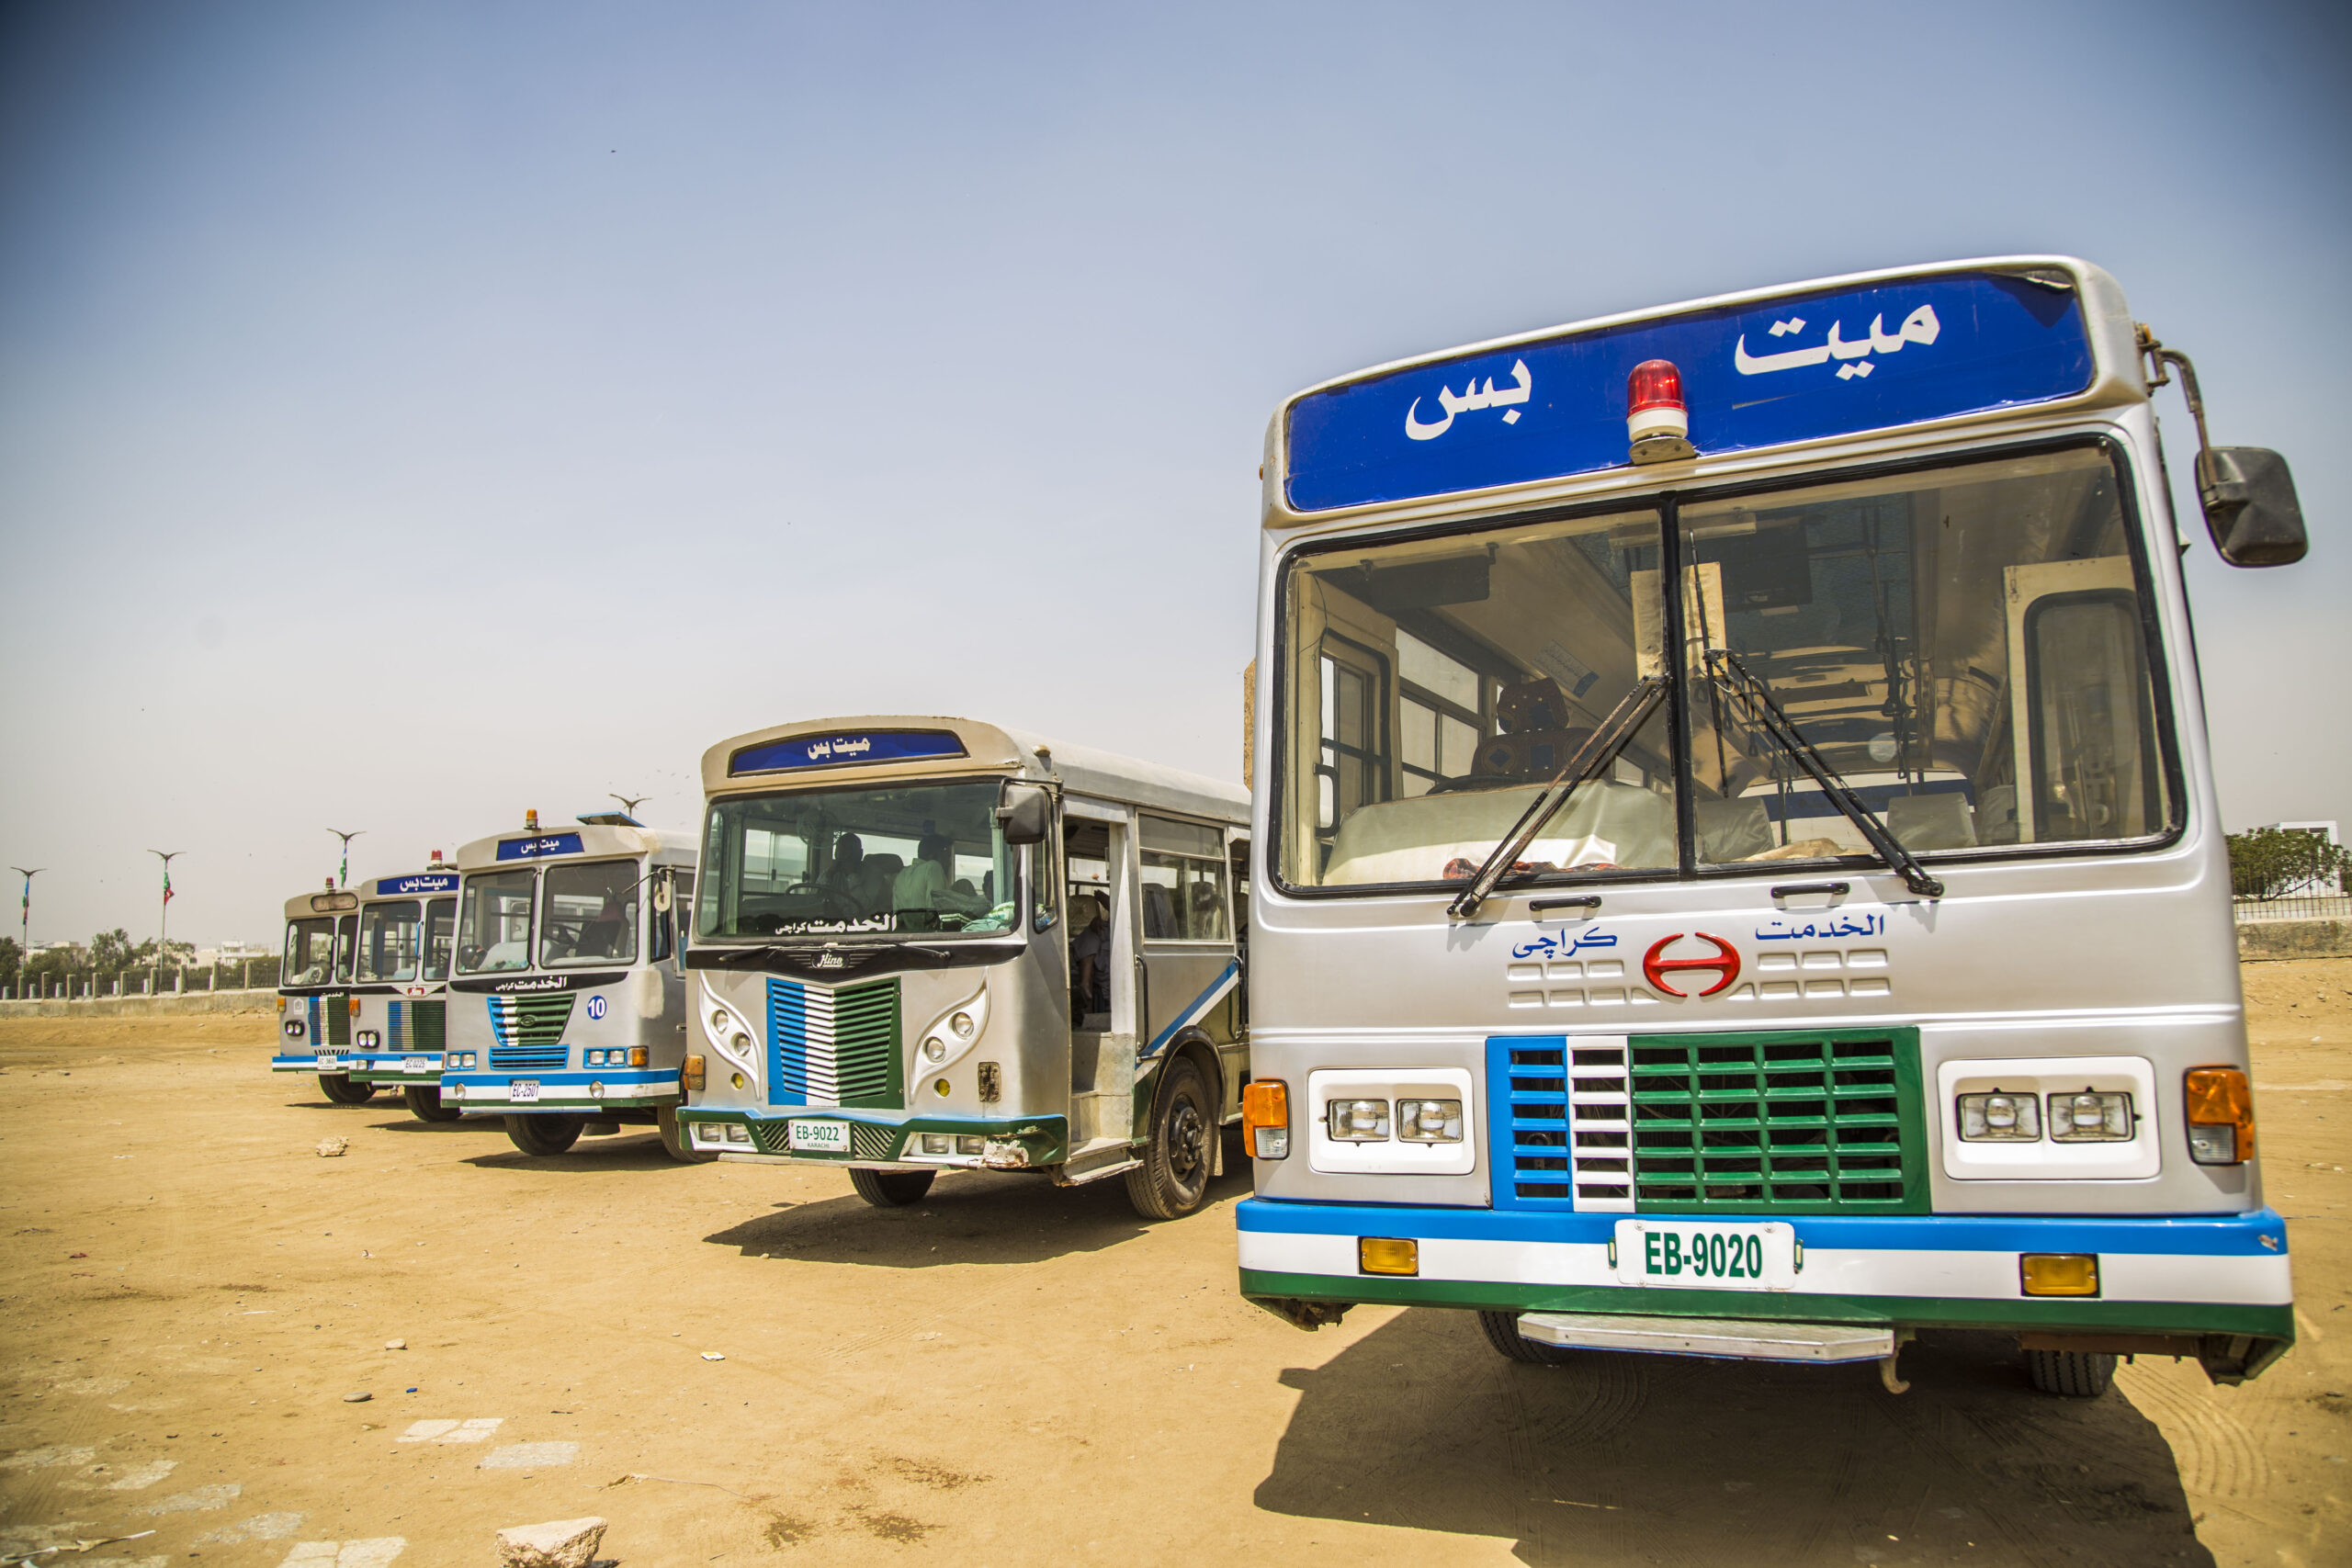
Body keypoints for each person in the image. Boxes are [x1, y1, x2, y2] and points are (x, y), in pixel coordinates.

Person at [892, 833, 986, 925]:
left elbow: (897, 917)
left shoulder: (901, 875)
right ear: (932, 856)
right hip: (931, 935)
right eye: (947, 857)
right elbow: (936, 911)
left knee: (963, 884)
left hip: (909, 934)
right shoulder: (934, 867)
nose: (949, 863)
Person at [1069, 893, 1111, 1017]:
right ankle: (1085, 984)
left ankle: (1085, 984)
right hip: (1097, 948)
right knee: (1090, 936)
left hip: (1111, 950)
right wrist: (1096, 923)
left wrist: (1102, 898)